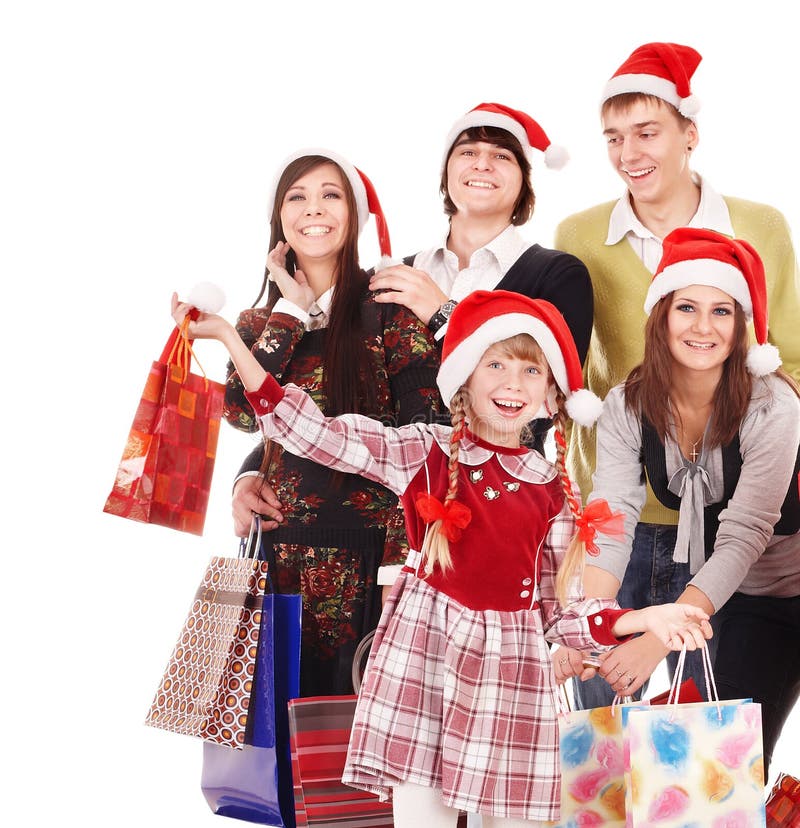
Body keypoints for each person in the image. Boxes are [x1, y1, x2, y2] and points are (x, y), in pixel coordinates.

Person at [172, 287, 712, 826]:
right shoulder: (423, 452)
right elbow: (312, 433)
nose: (511, 383)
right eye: (495, 364)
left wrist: (647, 617)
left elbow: (560, 613)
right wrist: (226, 337)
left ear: (551, 393)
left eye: (530, 371)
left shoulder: (553, 491)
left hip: (510, 683)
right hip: (424, 666)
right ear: (465, 380)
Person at [553, 41, 800, 706]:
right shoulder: (578, 235)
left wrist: (744, 423)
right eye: (613, 138)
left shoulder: (762, 227)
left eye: (648, 132)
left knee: (703, 743)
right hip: (623, 505)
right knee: (596, 729)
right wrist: (586, 622)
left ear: (690, 134)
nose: (630, 153)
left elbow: (793, 359)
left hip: (731, 523)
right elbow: (566, 365)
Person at [554, 228, 800, 779]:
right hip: (715, 587)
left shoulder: (773, 406)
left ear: (741, 330)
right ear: (661, 315)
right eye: (686, 307)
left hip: (780, 593)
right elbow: (611, 516)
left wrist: (657, 635)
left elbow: (745, 534)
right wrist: (591, 621)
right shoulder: (627, 404)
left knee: (722, 771)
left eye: (722, 311)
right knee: (682, 771)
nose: (703, 327)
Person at [221, 148, 443, 696]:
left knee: (362, 749)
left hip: (373, 558)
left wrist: (399, 570)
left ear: (354, 214)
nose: (312, 209)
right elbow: (240, 411)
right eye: (296, 197)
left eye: (330, 194)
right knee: (274, 748)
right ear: (279, 220)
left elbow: (429, 438)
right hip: (279, 555)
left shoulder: (390, 306)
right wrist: (291, 314)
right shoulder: (261, 323)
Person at [367, 102, 594, 451]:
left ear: (524, 182)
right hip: (394, 493)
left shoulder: (558, 276)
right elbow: (335, 394)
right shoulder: (396, 277)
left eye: (502, 156)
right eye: (468, 151)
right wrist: (252, 472)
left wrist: (444, 316)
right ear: (446, 172)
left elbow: (546, 401)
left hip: (506, 492)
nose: (482, 164)